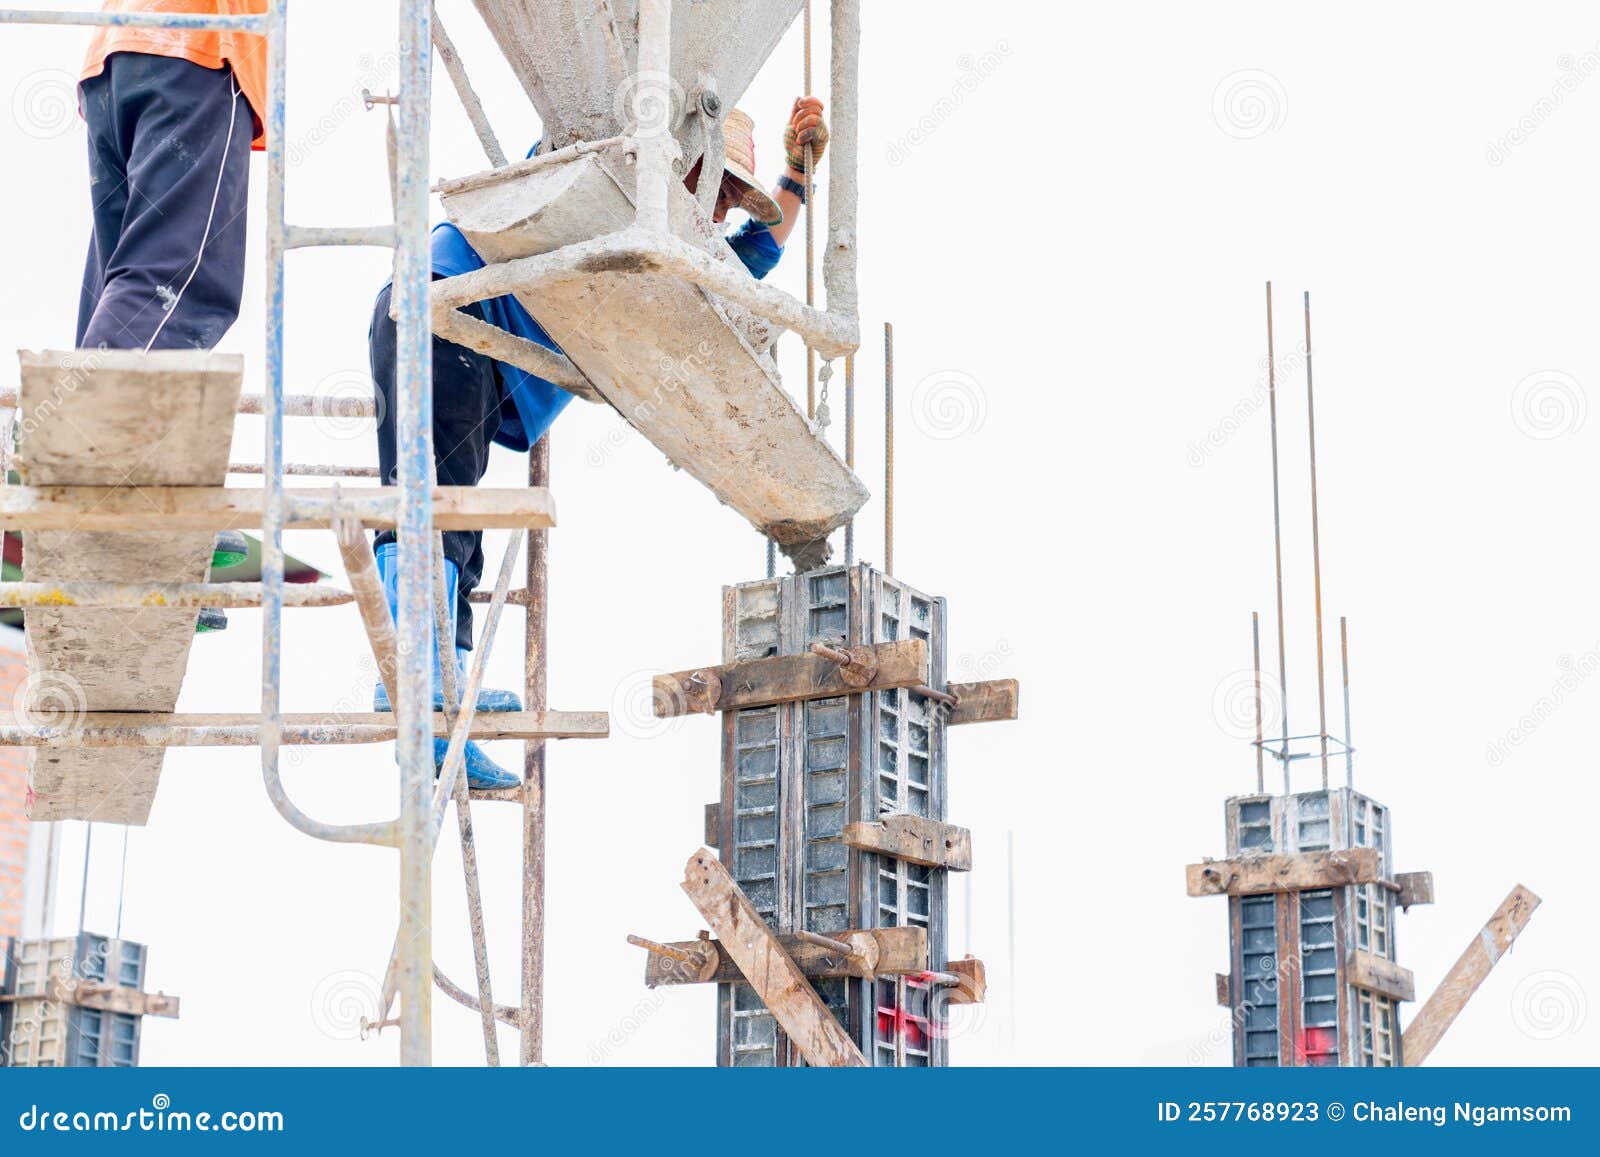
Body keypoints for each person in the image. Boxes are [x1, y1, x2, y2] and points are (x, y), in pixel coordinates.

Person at [368, 98, 830, 789]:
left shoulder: (653, 255)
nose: (720, 209)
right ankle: (420, 693)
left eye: (733, 197)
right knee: (434, 513)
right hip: (444, 315)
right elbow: (570, 122)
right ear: (682, 166)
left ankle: (440, 681)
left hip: (468, 344)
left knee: (458, 526)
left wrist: (798, 175)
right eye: (718, 186)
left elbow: (751, 261)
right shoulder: (592, 177)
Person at [77, 2, 268, 631]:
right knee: (177, 286)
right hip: (198, 48)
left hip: (120, 59)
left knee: (128, 281)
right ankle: (94, 500)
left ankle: (140, 513)